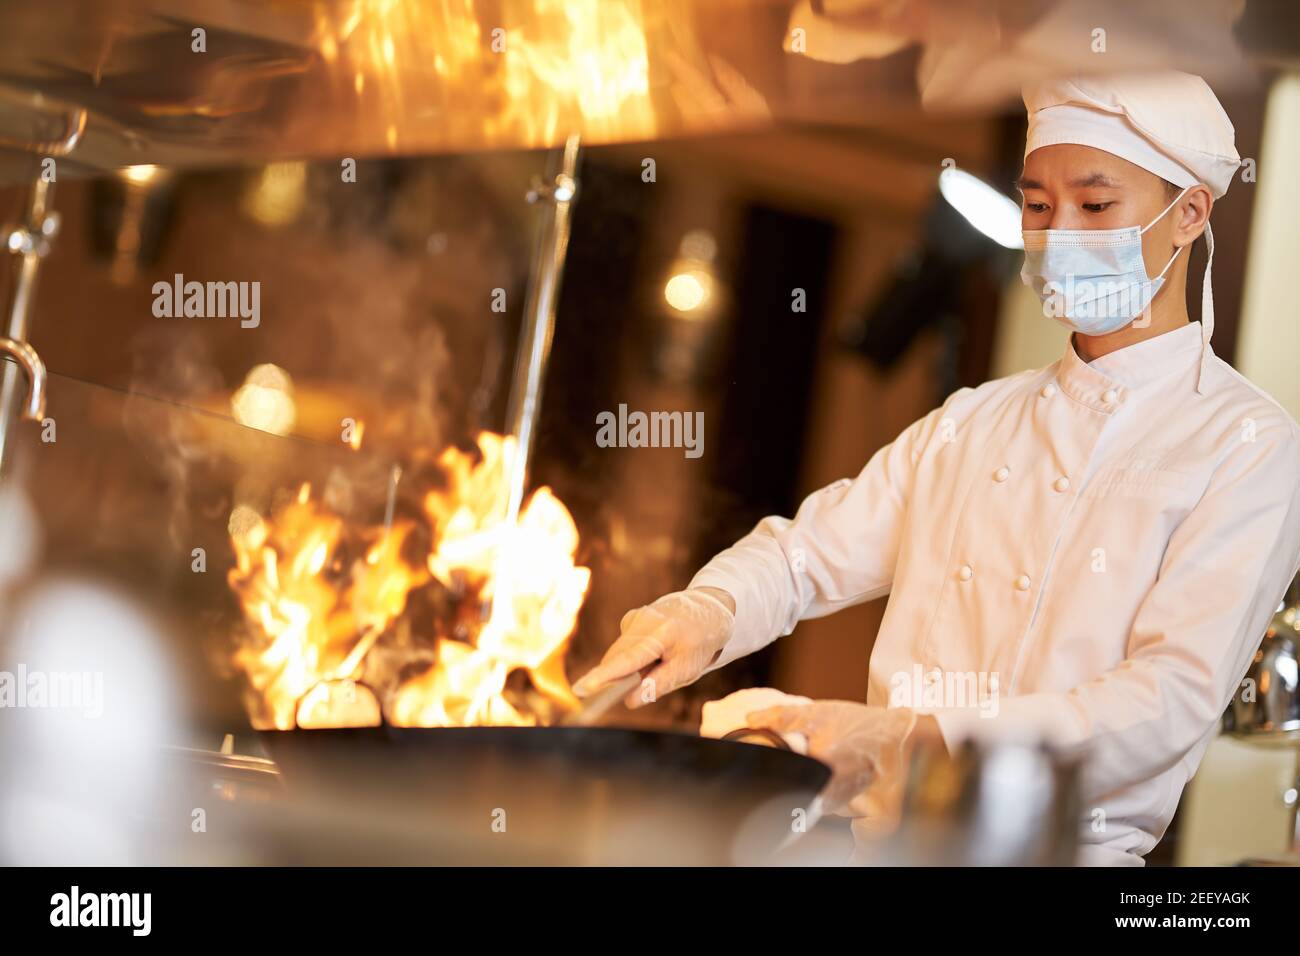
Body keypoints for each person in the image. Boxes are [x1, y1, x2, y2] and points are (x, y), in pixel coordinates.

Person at [574, 71, 1300, 865]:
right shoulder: (973, 420)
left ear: (1189, 212)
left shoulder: (1245, 443)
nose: (1060, 234)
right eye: (1036, 205)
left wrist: (915, 743)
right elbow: (803, 556)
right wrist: (705, 611)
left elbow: (1165, 701)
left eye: (1095, 207)